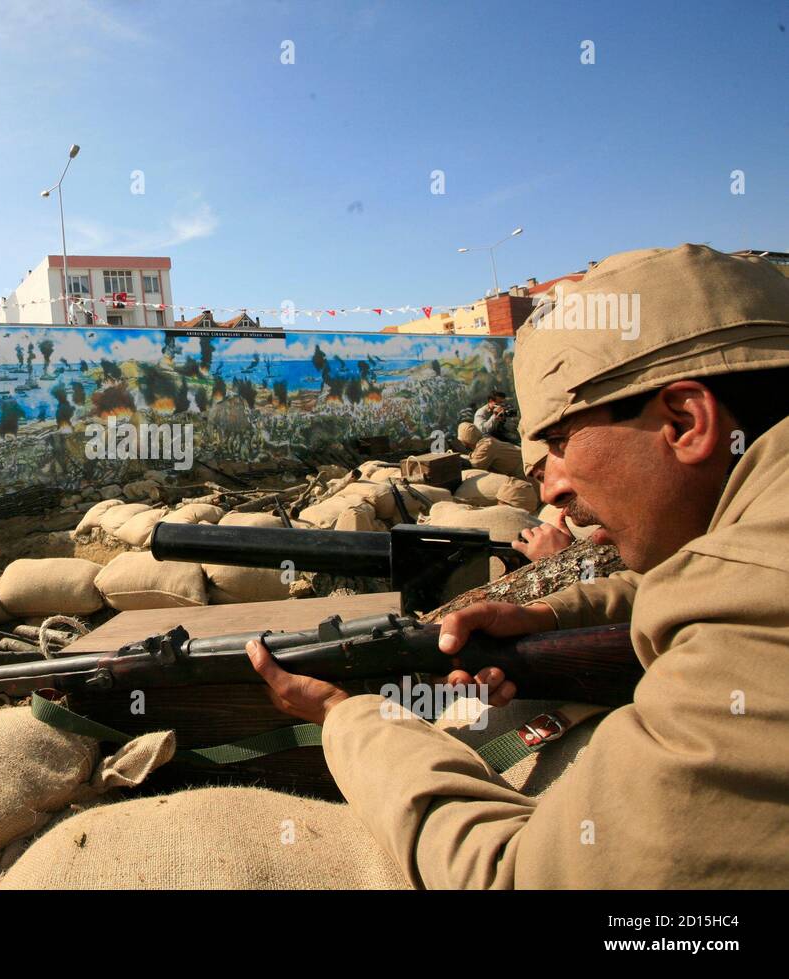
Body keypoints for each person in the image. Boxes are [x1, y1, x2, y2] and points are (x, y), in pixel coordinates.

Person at [248, 244, 789, 887]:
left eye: (560, 443)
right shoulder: (755, 550)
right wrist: (546, 614)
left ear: (684, 421)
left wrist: (351, 719)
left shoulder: (757, 622)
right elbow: (695, 584)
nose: (553, 488)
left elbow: (513, 878)